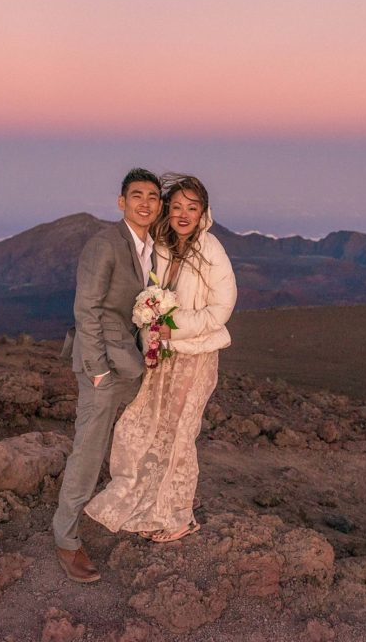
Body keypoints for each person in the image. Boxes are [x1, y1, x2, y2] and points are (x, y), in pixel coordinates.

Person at [84, 174, 237, 543]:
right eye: (178, 206)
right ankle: (145, 503)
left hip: (195, 357)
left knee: (180, 434)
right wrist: (150, 329)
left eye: (193, 207)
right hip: (162, 356)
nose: (184, 214)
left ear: (203, 213)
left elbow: (221, 309)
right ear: (168, 211)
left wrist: (174, 327)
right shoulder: (162, 246)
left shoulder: (211, 249)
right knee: (142, 427)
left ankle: (179, 517)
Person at [53, 168, 162, 583]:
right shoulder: (105, 244)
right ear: (122, 202)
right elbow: (88, 309)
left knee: (132, 440)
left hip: (129, 361)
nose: (145, 203)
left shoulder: (150, 247)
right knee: (89, 449)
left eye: (153, 196)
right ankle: (65, 537)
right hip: (102, 365)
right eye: (137, 195)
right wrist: (97, 369)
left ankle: (133, 509)